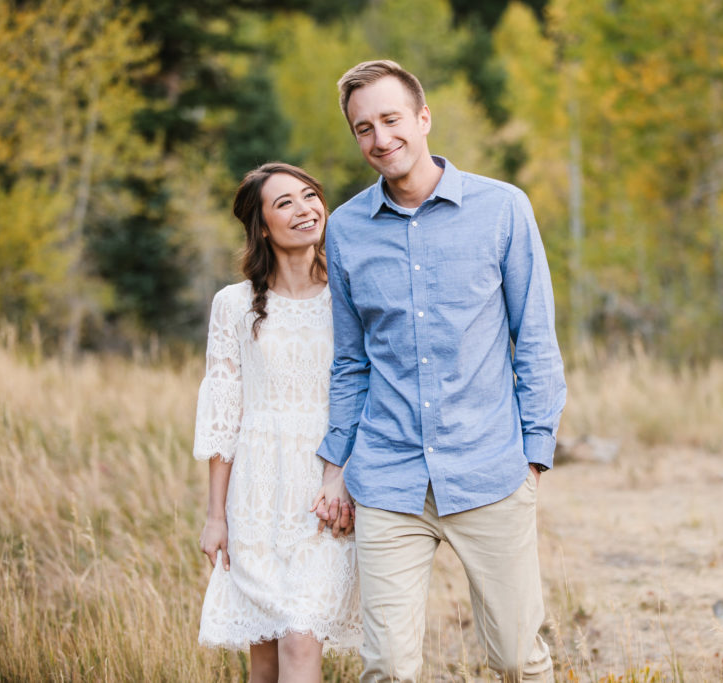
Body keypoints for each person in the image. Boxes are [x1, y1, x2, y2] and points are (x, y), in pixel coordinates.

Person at [313, 60, 567, 682]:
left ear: (423, 119)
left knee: (517, 658)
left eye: (391, 119)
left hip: (491, 470)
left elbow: (534, 340)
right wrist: (335, 468)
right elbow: (350, 363)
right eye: (363, 128)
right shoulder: (344, 230)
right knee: (388, 668)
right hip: (388, 479)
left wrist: (533, 456)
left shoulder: (504, 209)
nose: (380, 138)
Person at [194, 163, 361, 683]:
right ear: (262, 226)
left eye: (310, 195)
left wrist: (349, 478)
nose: (304, 208)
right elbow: (224, 415)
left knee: (298, 633)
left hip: (326, 487)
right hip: (257, 493)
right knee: (264, 650)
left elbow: (368, 395)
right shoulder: (233, 306)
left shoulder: (350, 298)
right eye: (284, 202)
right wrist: (216, 515)